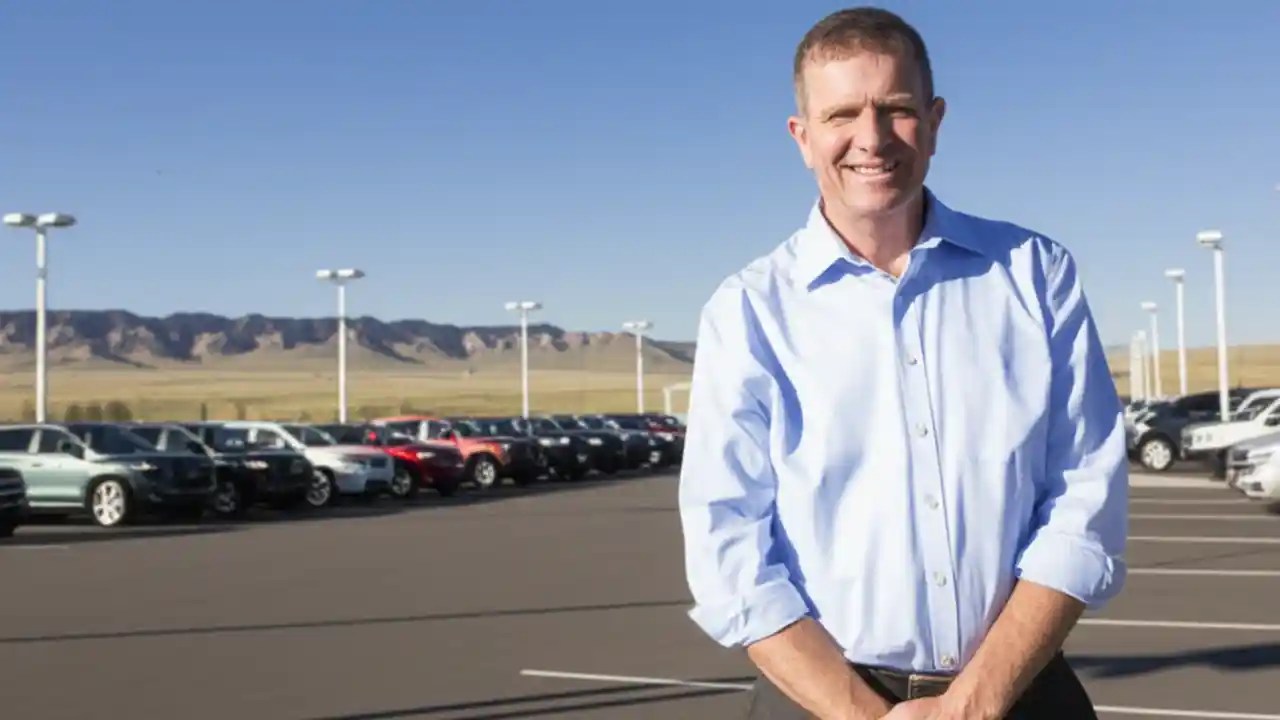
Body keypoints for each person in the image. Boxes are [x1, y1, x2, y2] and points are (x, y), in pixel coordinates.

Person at [677, 6, 1127, 719]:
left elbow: (1084, 500)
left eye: (897, 109)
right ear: (802, 136)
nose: (872, 138)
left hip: (1020, 691)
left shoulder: (1035, 276)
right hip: (822, 701)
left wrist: (976, 701)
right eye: (842, 114)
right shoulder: (749, 312)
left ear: (937, 119)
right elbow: (727, 546)